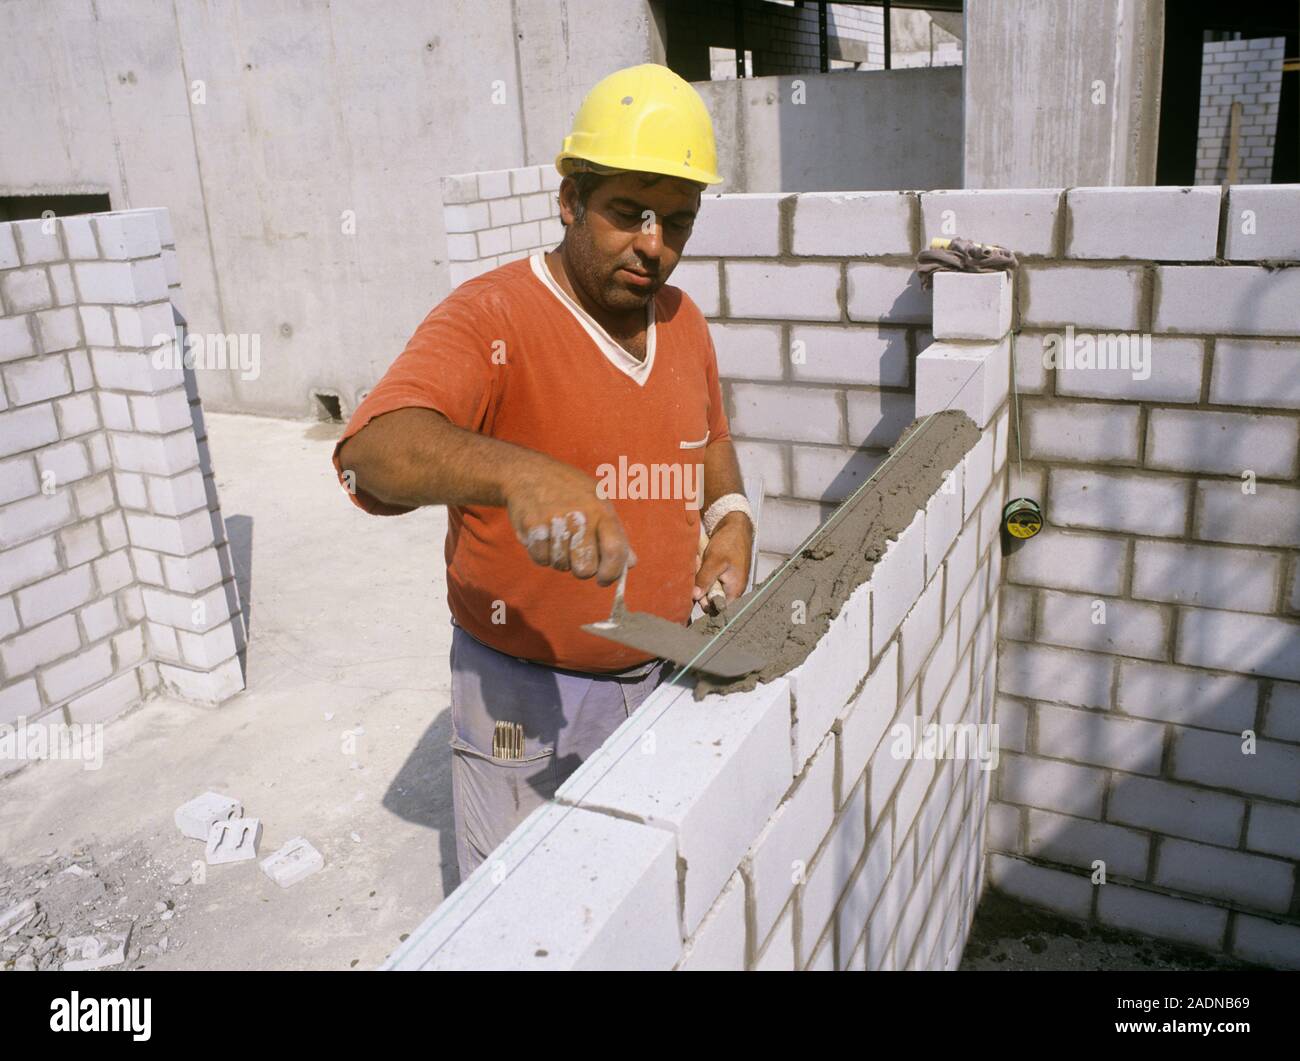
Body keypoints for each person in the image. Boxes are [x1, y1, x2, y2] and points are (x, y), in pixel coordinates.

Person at [332, 63, 753, 881]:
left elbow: (708, 441)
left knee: (632, 892)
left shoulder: (682, 318)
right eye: (627, 212)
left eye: (676, 219)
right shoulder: (493, 315)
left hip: (660, 669)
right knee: (523, 908)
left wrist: (732, 513)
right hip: (520, 698)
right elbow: (371, 452)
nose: (652, 244)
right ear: (569, 202)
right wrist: (523, 474)